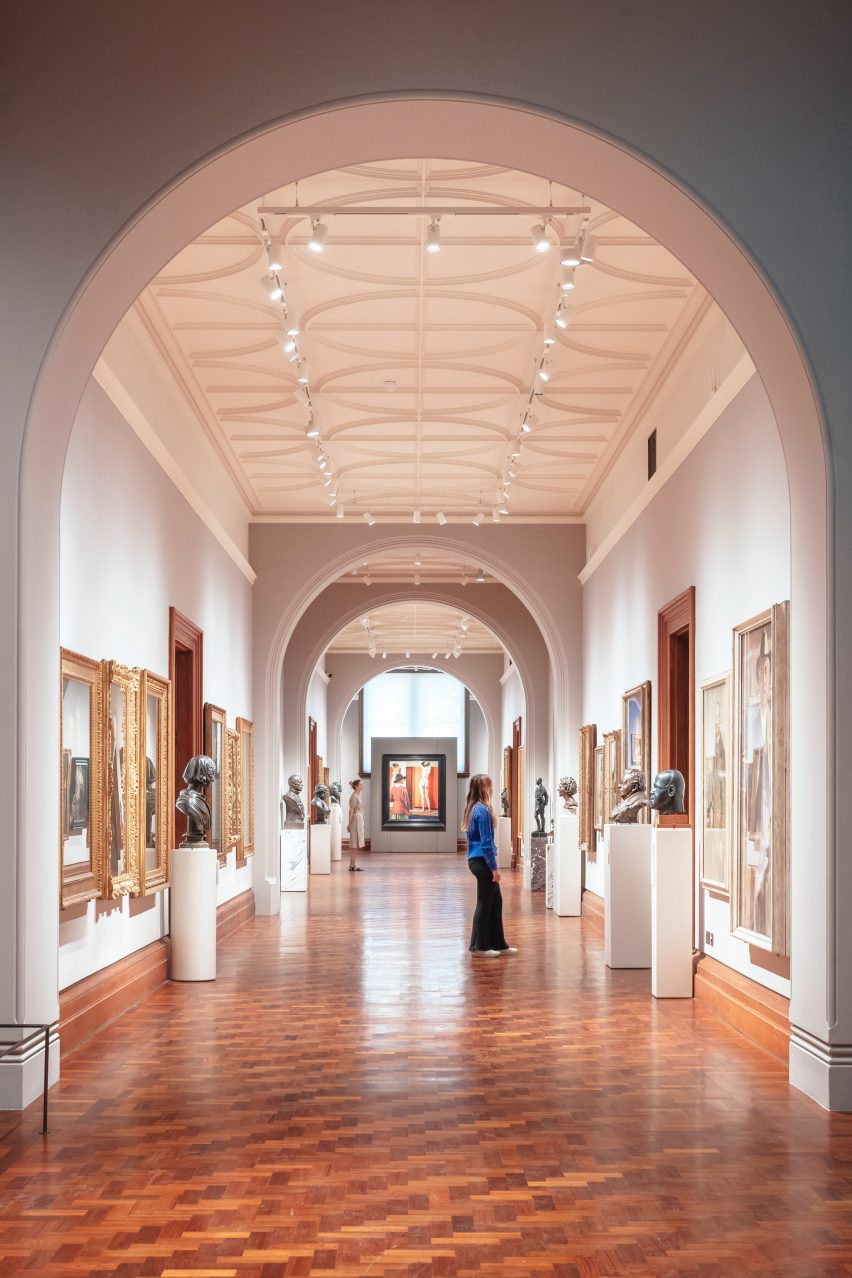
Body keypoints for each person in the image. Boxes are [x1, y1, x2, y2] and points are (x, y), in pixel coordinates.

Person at [463, 773, 517, 956]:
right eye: (490, 786)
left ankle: (498, 943)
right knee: (485, 903)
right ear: (484, 789)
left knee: (495, 901)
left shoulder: (473, 808)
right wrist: (494, 869)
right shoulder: (483, 810)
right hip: (482, 861)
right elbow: (486, 844)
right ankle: (480, 947)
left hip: (476, 860)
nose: (492, 789)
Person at [347, 778, 365, 871]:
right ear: (356, 786)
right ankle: (352, 865)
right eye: (361, 785)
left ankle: (353, 864)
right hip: (355, 820)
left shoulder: (357, 795)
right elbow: (351, 810)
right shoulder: (354, 796)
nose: (362, 786)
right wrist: (349, 824)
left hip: (358, 818)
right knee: (354, 842)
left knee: (355, 843)